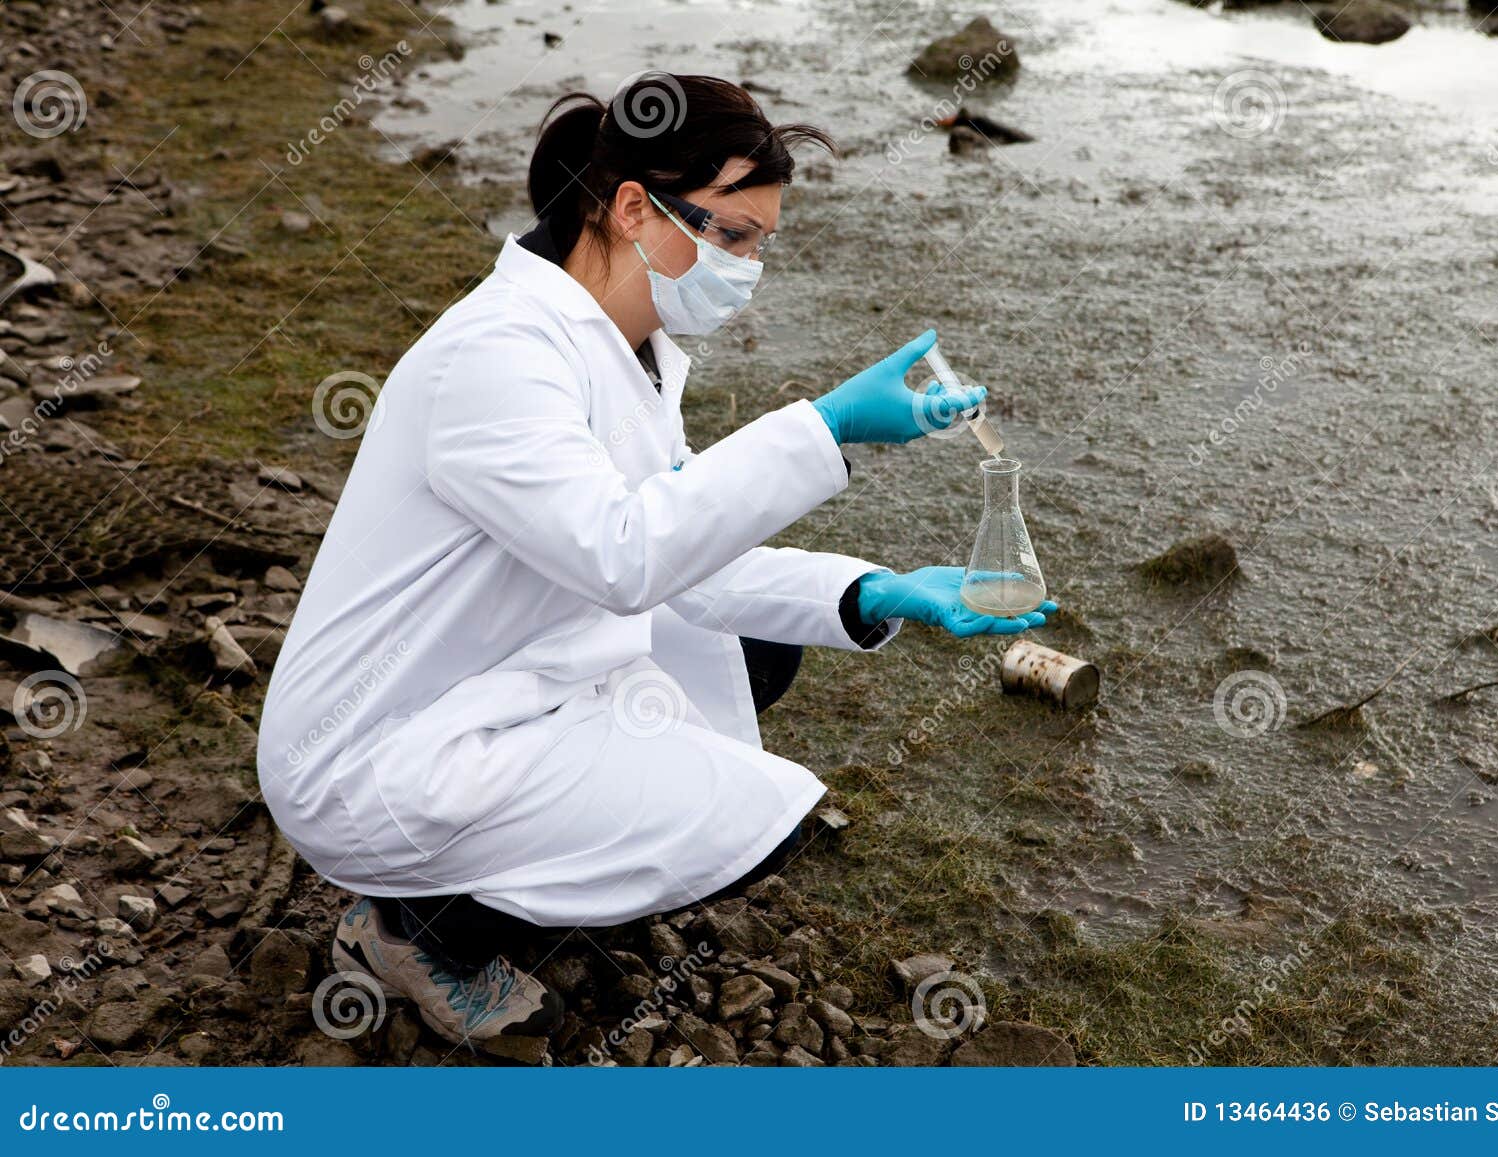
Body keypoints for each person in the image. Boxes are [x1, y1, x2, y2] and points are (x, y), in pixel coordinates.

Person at [256, 73, 1056, 1045]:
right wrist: (829, 425)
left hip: (497, 679)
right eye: (732, 236)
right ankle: (416, 933)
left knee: (761, 648)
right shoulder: (499, 357)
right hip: (378, 747)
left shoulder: (624, 349)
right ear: (633, 208)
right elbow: (625, 554)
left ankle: (481, 887)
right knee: (757, 825)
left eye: (762, 242)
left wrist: (875, 590)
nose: (750, 266)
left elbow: (689, 551)